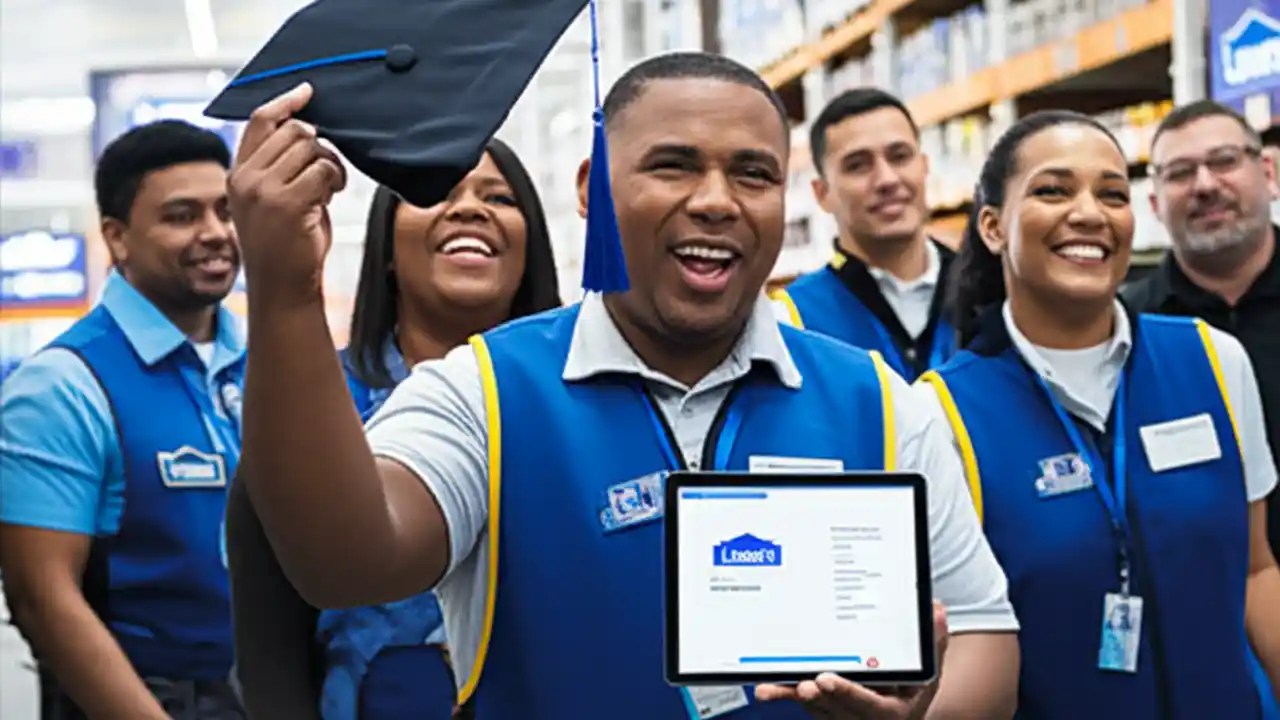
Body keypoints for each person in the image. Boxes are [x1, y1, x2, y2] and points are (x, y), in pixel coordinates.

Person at [227, 52, 1021, 719]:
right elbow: (346, 563)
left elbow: (985, 637)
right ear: (590, 188)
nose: (715, 201)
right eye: (672, 165)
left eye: (753, 174)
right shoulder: (485, 394)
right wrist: (287, 291)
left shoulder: (878, 404)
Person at [917, 109, 1280, 718]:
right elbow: (965, 645)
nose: (1089, 213)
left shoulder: (1213, 360)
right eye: (1052, 190)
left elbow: (1255, 569)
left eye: (1112, 194)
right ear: (992, 226)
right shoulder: (941, 414)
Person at [226, 137, 561, 720]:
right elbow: (269, 646)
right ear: (386, 244)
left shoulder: (576, 404)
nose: (469, 209)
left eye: (500, 197)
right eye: (438, 192)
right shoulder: (314, 403)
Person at [0, 120, 246, 719]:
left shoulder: (268, 368)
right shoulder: (62, 386)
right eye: (182, 216)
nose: (215, 234)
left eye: (226, 210)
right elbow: (42, 600)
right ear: (118, 238)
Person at [1122, 101, 1280, 562]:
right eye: (1180, 173)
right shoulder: (1124, 330)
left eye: (1225, 161)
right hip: (1188, 609)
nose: (1206, 185)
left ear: (1268, 173)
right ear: (1154, 204)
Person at [769, 89, 955, 382]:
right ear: (822, 193)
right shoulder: (793, 321)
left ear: (924, 166)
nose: (887, 180)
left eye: (900, 156)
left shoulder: (994, 294)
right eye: (857, 165)